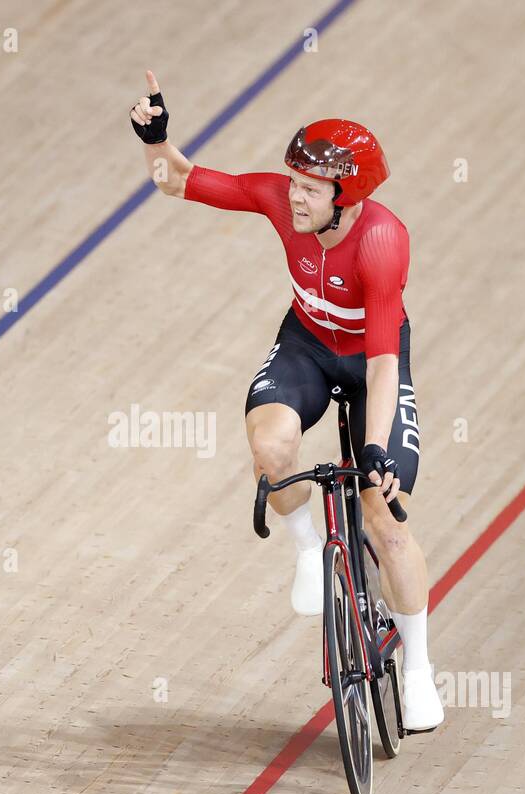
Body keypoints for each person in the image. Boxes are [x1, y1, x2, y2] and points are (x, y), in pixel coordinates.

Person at [129, 70, 442, 731]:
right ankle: (307, 549)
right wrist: (156, 139)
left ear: (346, 198)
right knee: (271, 445)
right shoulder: (280, 201)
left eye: (309, 188)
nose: (293, 197)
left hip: (369, 362)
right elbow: (178, 181)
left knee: (384, 518)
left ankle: (417, 669)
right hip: (306, 345)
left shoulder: (381, 242)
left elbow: (384, 366)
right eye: (293, 183)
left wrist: (377, 449)